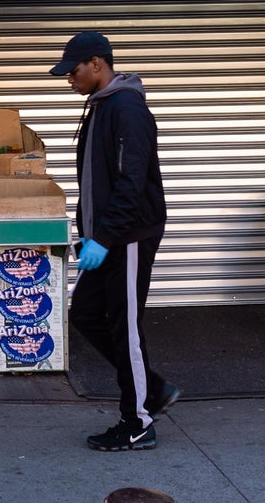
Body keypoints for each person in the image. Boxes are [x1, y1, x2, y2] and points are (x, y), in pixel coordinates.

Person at [50, 32, 179, 451]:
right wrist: (87, 234)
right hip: (106, 236)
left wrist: (104, 238)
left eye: (73, 71)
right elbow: (98, 181)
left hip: (127, 237)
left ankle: (138, 421)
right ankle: (151, 389)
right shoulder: (103, 106)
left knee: (125, 328)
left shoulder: (127, 108)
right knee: (85, 314)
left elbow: (131, 182)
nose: (68, 79)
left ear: (96, 64)